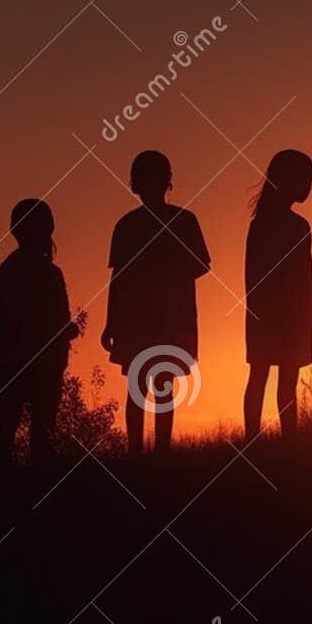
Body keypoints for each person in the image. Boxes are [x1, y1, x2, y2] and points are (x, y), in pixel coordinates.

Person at [102, 151, 211, 453]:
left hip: (168, 318)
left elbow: (201, 263)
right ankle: (140, 450)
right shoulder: (132, 225)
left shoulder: (180, 221)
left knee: (159, 385)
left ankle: (155, 451)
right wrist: (111, 321)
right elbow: (118, 277)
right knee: (145, 386)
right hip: (143, 319)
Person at [0, 198, 76, 472]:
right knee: (39, 431)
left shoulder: (11, 269)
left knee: (9, 427)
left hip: (14, 362)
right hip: (40, 364)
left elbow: (0, 318)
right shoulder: (50, 274)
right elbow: (60, 321)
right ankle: (36, 488)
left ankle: (3, 487)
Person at [243, 150, 312, 440]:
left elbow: (305, 275)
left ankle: (285, 439)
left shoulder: (296, 225)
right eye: (306, 179)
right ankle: (257, 439)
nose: (309, 186)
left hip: (288, 314)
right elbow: (255, 274)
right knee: (266, 376)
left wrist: (309, 316)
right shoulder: (269, 225)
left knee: (279, 377)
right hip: (273, 313)